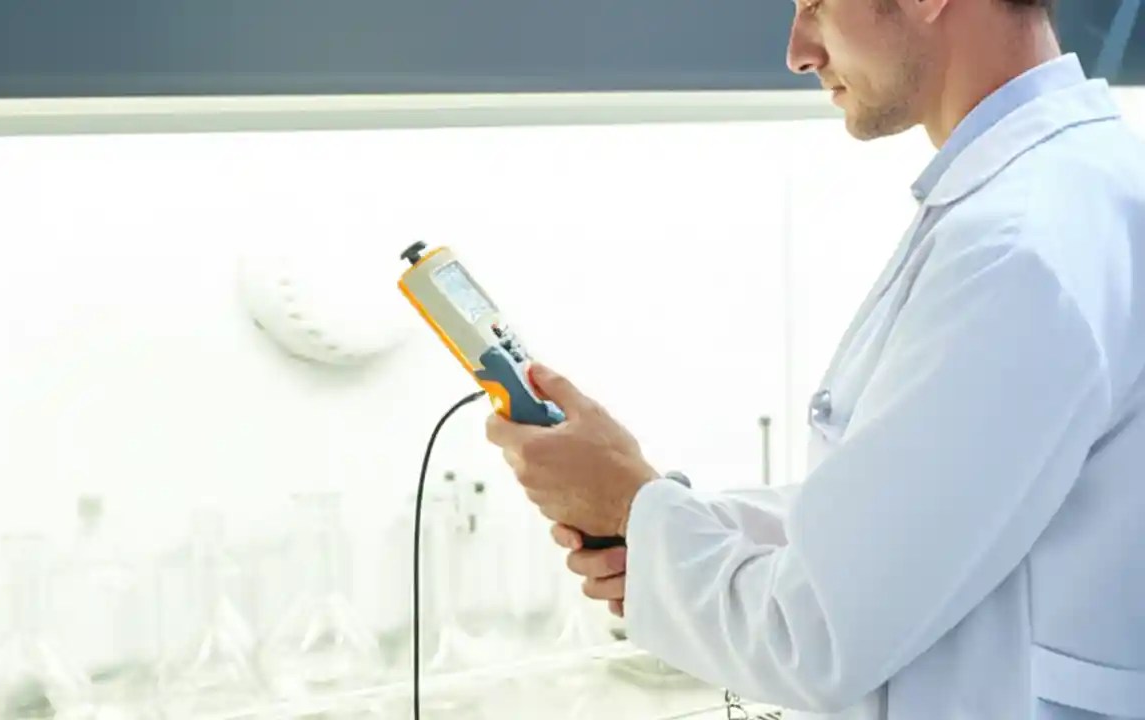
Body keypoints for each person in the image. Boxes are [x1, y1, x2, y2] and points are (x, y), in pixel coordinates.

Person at [485, 0, 1145, 718]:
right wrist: (666, 520)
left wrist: (628, 506)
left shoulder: (1015, 250)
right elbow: (924, 521)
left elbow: (814, 638)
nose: (798, 51)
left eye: (816, 5)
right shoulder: (1072, 189)